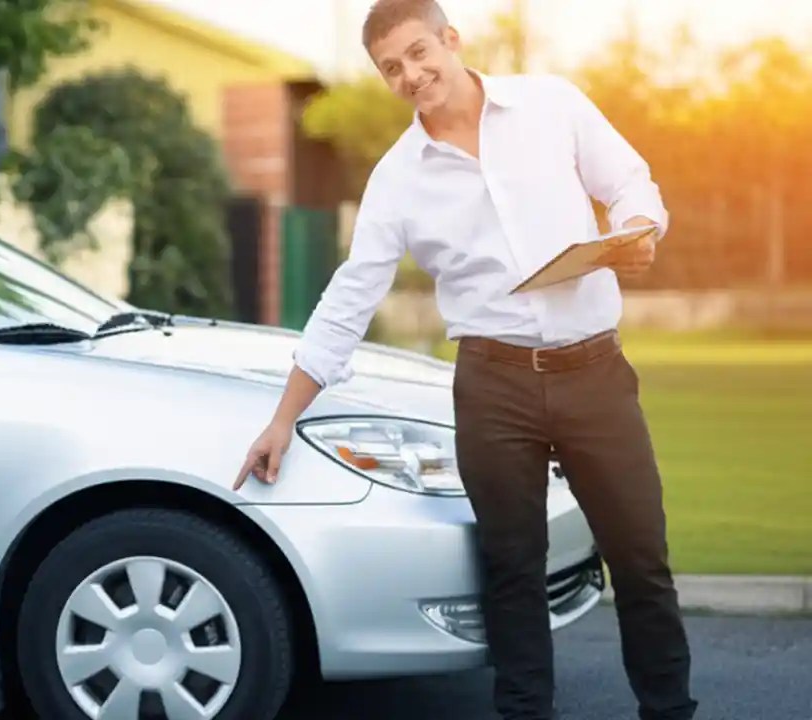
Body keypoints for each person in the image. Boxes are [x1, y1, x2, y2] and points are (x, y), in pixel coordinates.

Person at [232, 1, 698, 719]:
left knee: (641, 562)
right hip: (493, 388)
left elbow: (631, 181)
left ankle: (668, 710)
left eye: (420, 53)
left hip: (596, 376)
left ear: (452, 40)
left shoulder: (552, 104)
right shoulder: (398, 179)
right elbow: (350, 297)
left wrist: (639, 228)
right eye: (393, 67)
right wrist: (282, 419)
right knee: (511, 572)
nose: (411, 74)